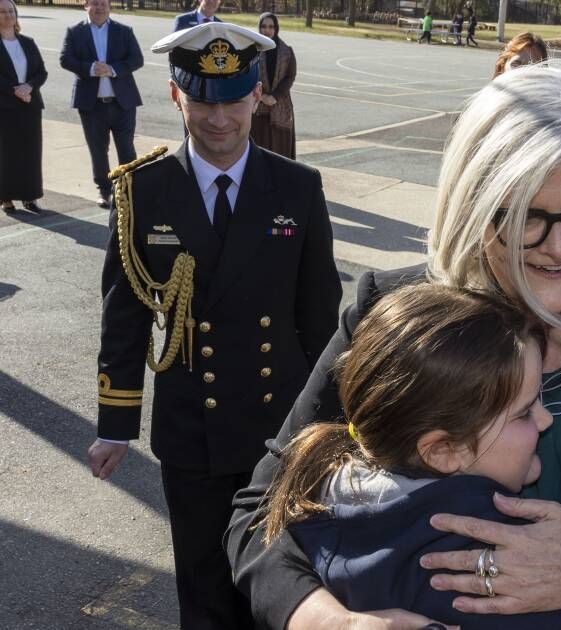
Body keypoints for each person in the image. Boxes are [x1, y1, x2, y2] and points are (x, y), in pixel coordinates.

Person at [225, 65, 561, 630]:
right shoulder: (393, 312)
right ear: (470, 205)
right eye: (523, 218)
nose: (558, 248)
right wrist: (333, 623)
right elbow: (262, 511)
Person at [87, 22, 341, 629]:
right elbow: (123, 315)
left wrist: (330, 430)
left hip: (277, 428)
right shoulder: (142, 191)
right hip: (189, 428)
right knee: (202, 588)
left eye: (232, 99)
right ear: (178, 97)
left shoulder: (297, 189)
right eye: (203, 99)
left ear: (259, 97)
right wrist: (115, 424)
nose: (218, 117)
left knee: (275, 586)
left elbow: (321, 322)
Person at [263, 284, 561, 629]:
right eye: (524, 413)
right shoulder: (505, 580)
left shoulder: (316, 502)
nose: (545, 419)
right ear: (443, 451)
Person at [59, 0, 142, 210]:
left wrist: (113, 69)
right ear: (85, 6)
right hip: (91, 104)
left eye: (103, 3)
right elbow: (65, 59)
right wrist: (90, 68)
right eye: (94, 3)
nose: (99, 7)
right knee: (98, 150)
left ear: (110, 7)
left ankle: (128, 190)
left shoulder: (124, 31)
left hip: (122, 103)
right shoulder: (75, 32)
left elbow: (136, 59)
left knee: (126, 149)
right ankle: (105, 191)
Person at [0, 0, 48, 214]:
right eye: (2, 11)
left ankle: (30, 197)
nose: (8, 15)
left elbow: (41, 72)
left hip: (30, 105)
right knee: (6, 154)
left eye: (11, 11)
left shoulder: (27, 42)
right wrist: (16, 90)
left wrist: (29, 87)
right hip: (5, 107)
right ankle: (6, 197)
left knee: (30, 153)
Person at [250, 13, 297, 159]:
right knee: (259, 150)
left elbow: (290, 77)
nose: (267, 30)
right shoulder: (252, 51)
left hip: (280, 106)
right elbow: (247, 75)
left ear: (276, 28)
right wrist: (262, 96)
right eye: (263, 26)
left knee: (280, 152)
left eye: (271, 27)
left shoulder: (287, 51)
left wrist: (275, 96)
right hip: (258, 108)